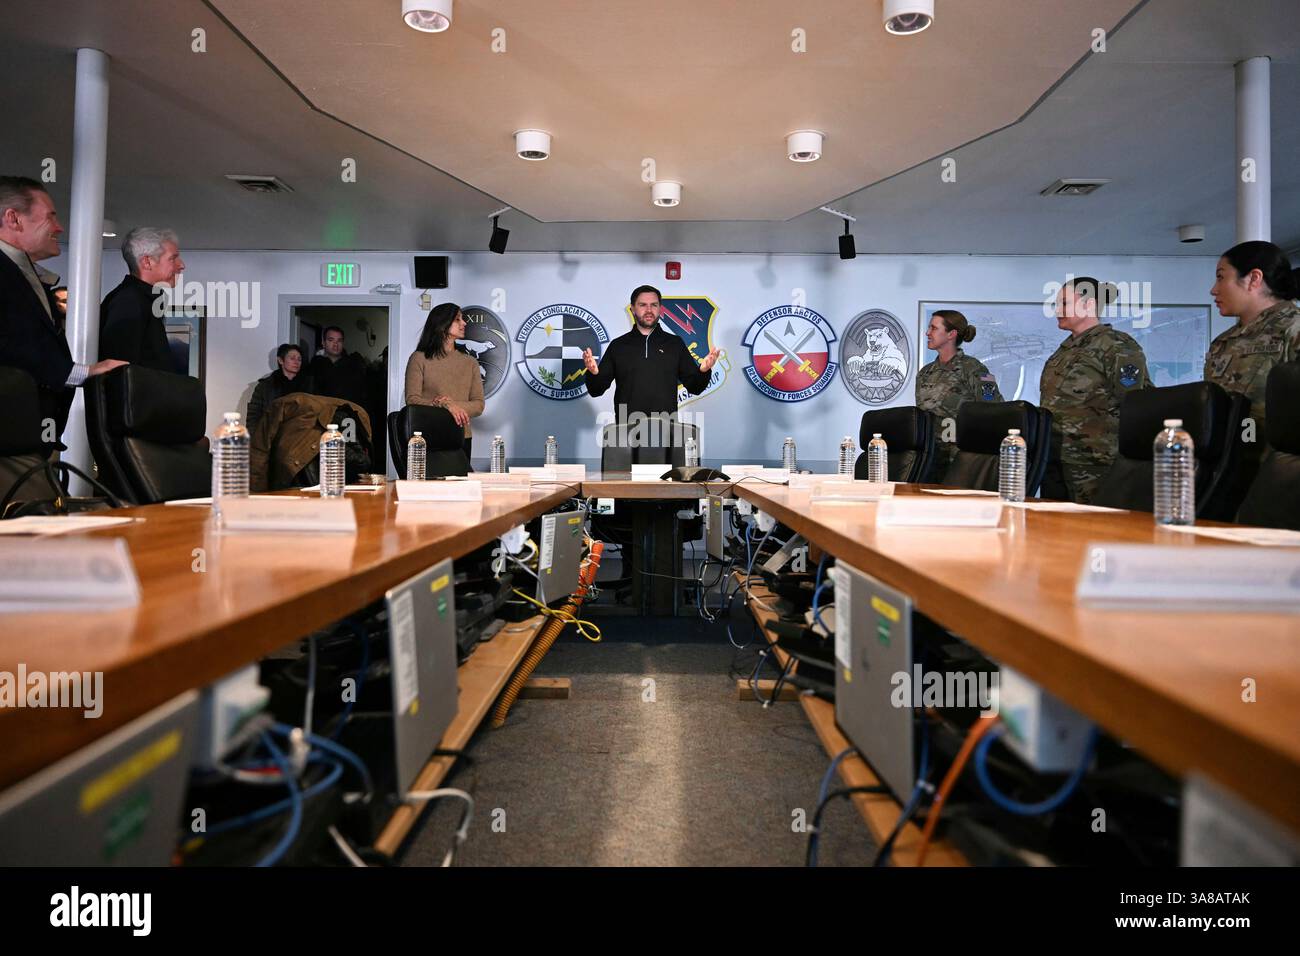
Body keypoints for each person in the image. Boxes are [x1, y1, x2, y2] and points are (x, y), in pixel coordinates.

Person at [0, 176, 125, 455]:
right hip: (10, 447)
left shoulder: (25, 276)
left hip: (28, 442)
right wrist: (82, 372)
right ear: (13, 219)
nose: (59, 227)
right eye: (50, 217)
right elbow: (14, 349)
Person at [1039, 276, 1151, 504]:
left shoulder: (1116, 345)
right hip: (1056, 460)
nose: (1057, 310)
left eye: (1064, 303)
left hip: (1096, 464)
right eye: (1056, 304)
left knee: (1093, 531)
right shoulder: (1064, 350)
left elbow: (1134, 402)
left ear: (1089, 305)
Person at [1205, 241, 1300, 498]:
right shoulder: (1224, 341)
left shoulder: (1293, 331)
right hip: (1226, 474)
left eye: (1221, 277)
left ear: (1253, 279)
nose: (1214, 290)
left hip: (1278, 483)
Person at [583, 285, 720, 459]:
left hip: (667, 433)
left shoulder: (674, 344)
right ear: (632, 309)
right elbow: (596, 390)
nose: (649, 310)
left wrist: (703, 370)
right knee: (627, 484)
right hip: (627, 434)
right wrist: (594, 373)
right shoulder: (618, 346)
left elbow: (695, 387)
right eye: (643, 305)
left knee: (664, 485)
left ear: (660, 309)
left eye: (654, 305)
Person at [915, 309, 1002, 475]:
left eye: (933, 328)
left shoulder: (975, 369)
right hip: (929, 460)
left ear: (951, 334)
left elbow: (994, 409)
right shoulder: (925, 373)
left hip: (963, 461)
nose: (927, 333)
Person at [99, 226, 186, 372]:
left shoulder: (140, 300)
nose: (181, 265)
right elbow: (119, 372)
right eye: (173, 258)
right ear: (147, 262)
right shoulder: (129, 301)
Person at [405, 303, 484, 457]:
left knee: (461, 480)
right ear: (442, 324)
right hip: (427, 436)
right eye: (457, 319)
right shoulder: (419, 358)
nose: (464, 323)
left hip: (461, 436)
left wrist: (452, 405)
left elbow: (479, 405)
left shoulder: (470, 362)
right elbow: (412, 400)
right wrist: (442, 404)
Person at [247, 343, 313, 431]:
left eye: (299, 359)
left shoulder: (308, 384)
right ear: (281, 360)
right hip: (271, 434)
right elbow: (253, 416)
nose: (296, 362)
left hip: (299, 434)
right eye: (292, 358)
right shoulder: (266, 386)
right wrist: (256, 439)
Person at [307, 325, 367, 406]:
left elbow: (360, 396)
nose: (335, 344)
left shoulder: (353, 367)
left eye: (339, 340)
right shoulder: (315, 366)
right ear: (323, 343)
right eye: (331, 340)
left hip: (346, 415)